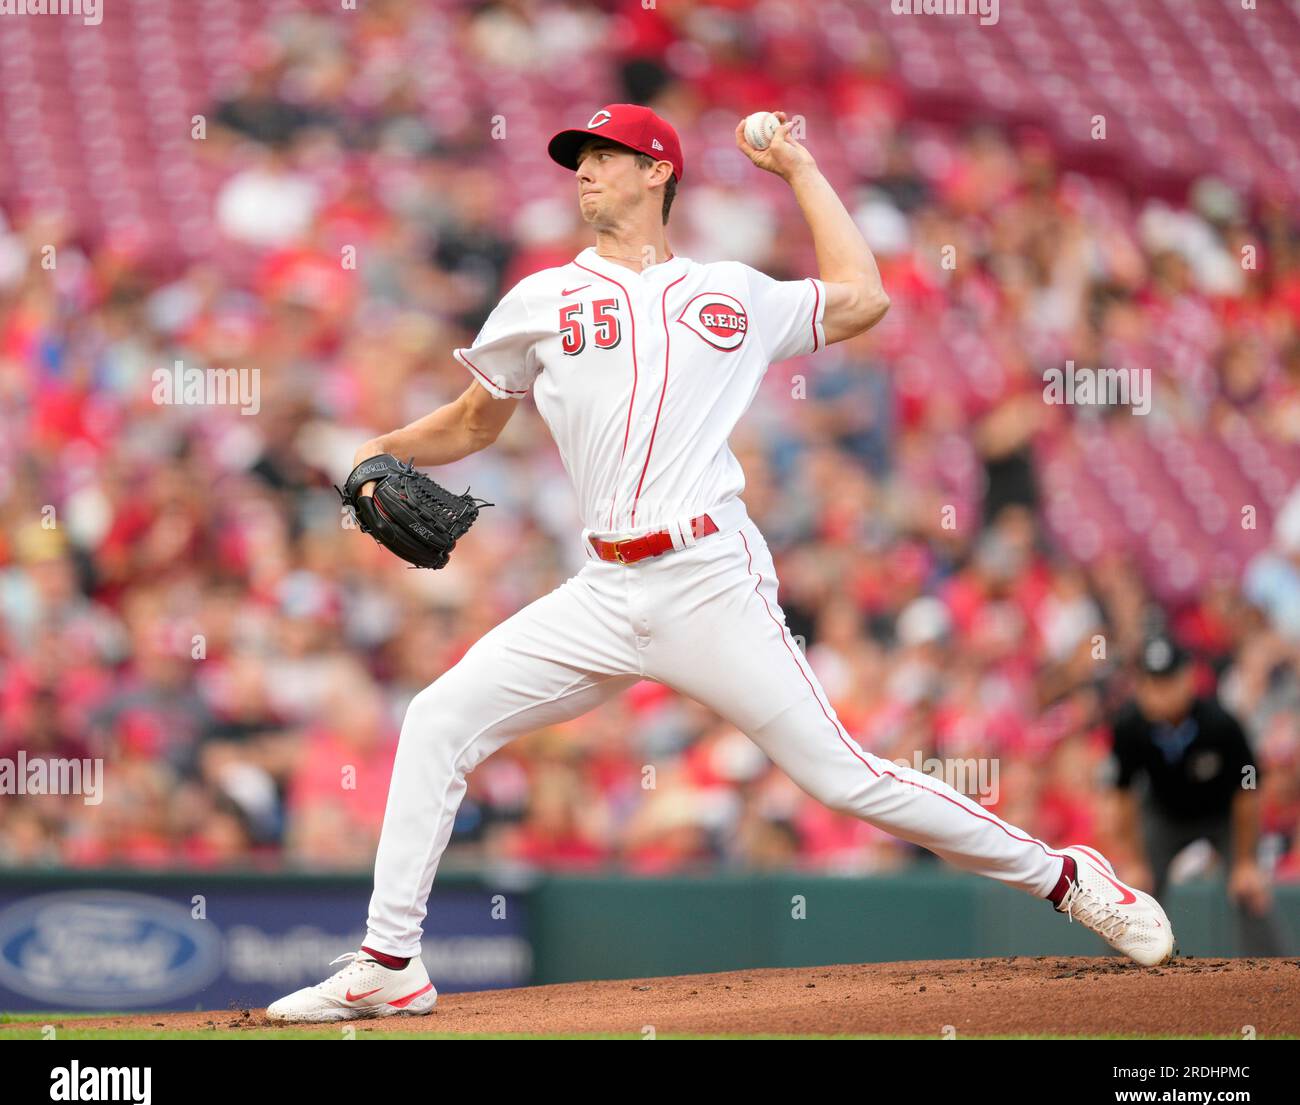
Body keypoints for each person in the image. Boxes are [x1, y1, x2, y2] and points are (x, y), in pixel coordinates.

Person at [268, 104, 1174, 1022]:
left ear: (658, 172)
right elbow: (472, 420)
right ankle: (390, 962)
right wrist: (374, 446)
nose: (581, 170)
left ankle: (1068, 880)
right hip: (604, 588)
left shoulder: (731, 293)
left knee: (843, 778)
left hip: (709, 578)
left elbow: (863, 298)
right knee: (436, 719)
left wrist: (800, 171)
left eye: (602, 156)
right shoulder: (540, 298)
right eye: (576, 158)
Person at [1110, 635, 1284, 956]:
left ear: (1188, 679)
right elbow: (1123, 796)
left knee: (1250, 890)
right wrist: (1134, 860)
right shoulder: (1129, 726)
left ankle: (1276, 982)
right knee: (1133, 895)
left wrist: (1246, 861)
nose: (1159, 693)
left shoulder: (1220, 723)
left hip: (1223, 816)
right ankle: (1107, 985)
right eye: (1152, 683)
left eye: (1168, 682)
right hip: (1165, 816)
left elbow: (1247, 791)